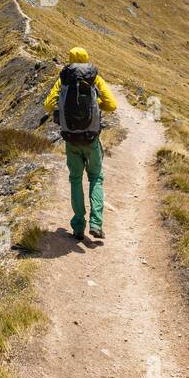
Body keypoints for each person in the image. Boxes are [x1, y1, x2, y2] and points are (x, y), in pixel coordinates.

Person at [44, 47, 117, 239]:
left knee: (75, 180)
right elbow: (112, 105)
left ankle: (78, 226)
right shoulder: (95, 78)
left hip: (71, 140)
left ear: (70, 59)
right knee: (96, 178)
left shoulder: (63, 79)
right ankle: (96, 223)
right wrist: (95, 107)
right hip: (91, 138)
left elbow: (48, 105)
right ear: (86, 59)